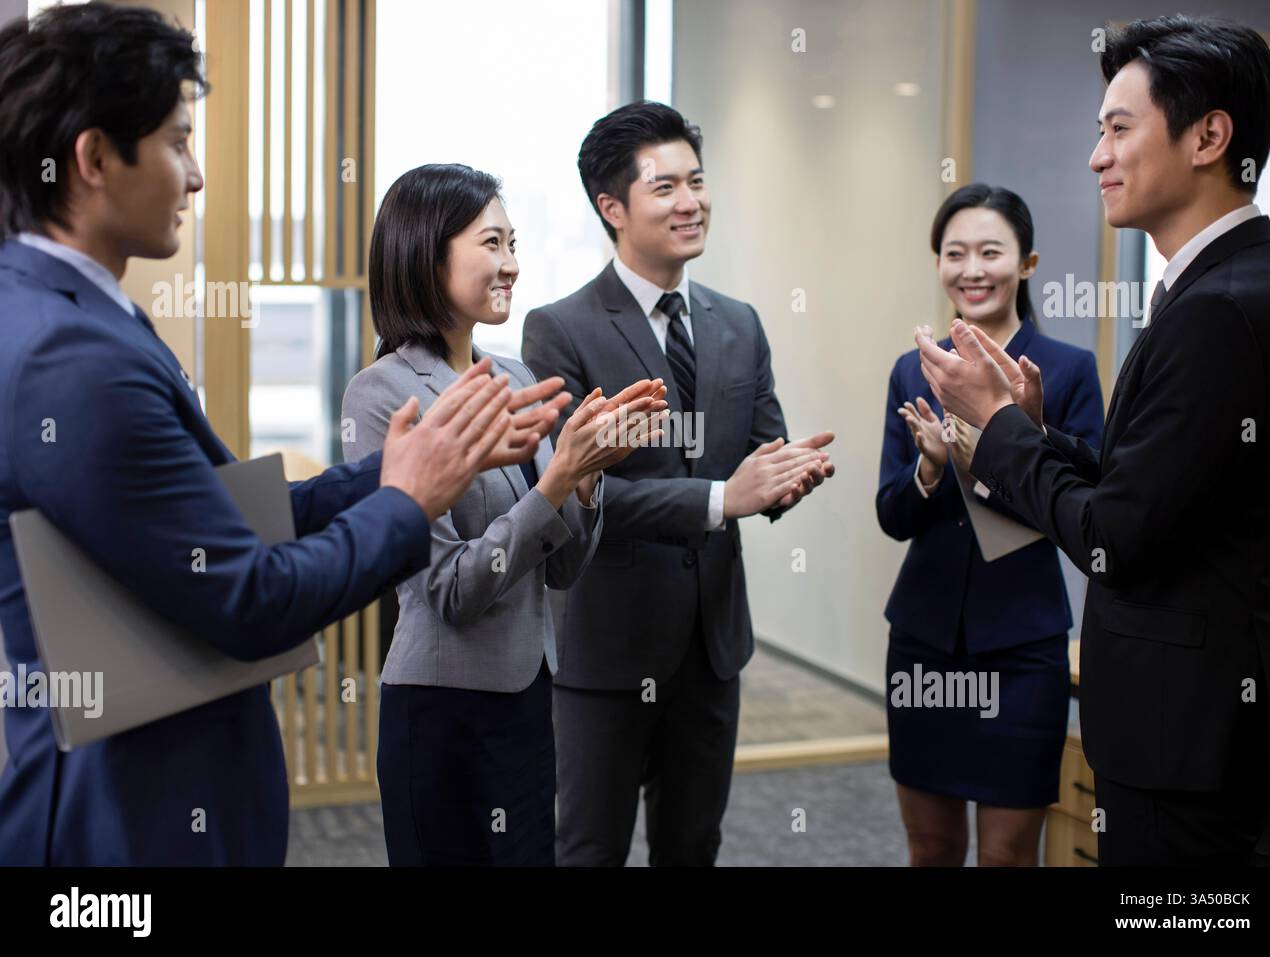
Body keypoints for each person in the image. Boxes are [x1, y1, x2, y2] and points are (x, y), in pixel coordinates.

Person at [0, 3, 564, 865]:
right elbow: (247, 598)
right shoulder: (70, 354)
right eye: (179, 142)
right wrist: (407, 499)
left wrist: (405, 467)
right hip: (130, 806)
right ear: (93, 158)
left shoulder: (75, 315)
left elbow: (222, 516)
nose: (195, 176)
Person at [916, 15, 1270, 866]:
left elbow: (1113, 540)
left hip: (1194, 744)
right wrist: (1042, 436)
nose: (1097, 157)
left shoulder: (1219, 309)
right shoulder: (1221, 286)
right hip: (1198, 732)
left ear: (1208, 136)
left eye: (1118, 129)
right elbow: (1156, 496)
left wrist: (1000, 428)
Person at [522, 100, 835, 866]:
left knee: (693, 843)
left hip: (712, 641)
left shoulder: (739, 323)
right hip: (607, 644)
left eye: (696, 181)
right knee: (588, 848)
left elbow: (763, 449)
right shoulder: (559, 328)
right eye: (665, 187)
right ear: (612, 207)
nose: (691, 202)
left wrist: (788, 475)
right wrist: (726, 497)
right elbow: (574, 495)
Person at [342, 164, 665, 866]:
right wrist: (554, 482)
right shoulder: (381, 394)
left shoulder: (514, 375)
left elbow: (565, 567)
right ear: (427, 254)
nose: (512, 264)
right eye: (492, 243)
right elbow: (451, 592)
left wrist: (584, 479)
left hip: (525, 697)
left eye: (513, 243)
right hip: (440, 709)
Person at [877, 184, 1103, 865]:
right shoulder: (911, 369)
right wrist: (931, 470)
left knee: (1007, 855)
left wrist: (1017, 442)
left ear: (1026, 263)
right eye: (955, 253)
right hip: (924, 640)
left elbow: (1087, 507)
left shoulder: (1065, 370)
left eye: (990, 251)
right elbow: (892, 515)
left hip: (1023, 644)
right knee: (932, 848)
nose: (971, 269)